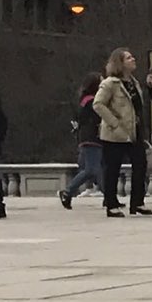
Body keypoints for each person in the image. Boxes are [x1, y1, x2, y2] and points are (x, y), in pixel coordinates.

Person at [93, 50, 152, 217]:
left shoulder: (134, 82)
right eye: (128, 58)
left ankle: (138, 203)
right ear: (120, 63)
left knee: (140, 166)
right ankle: (111, 204)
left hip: (134, 132)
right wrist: (114, 122)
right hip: (115, 134)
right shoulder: (110, 83)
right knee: (112, 169)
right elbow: (98, 104)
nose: (133, 59)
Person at [60, 74, 104, 209]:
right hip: (92, 138)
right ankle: (68, 192)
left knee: (96, 169)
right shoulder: (92, 102)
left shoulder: (84, 101)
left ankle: (108, 196)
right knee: (92, 170)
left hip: (85, 138)